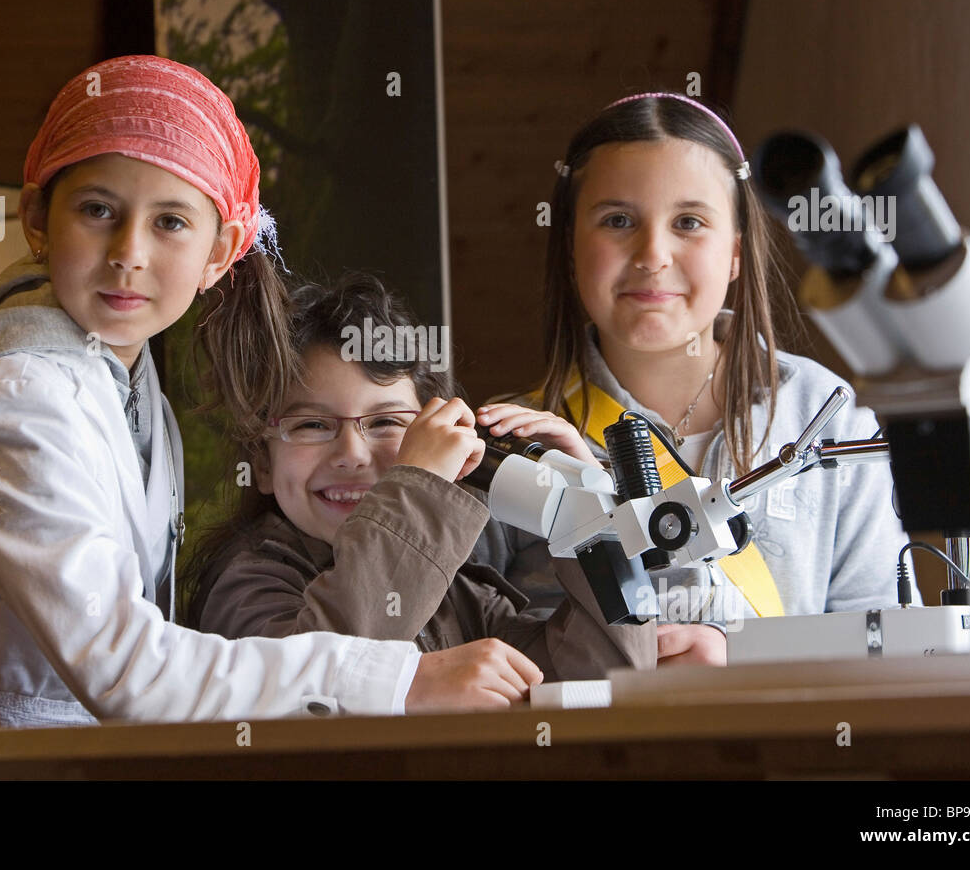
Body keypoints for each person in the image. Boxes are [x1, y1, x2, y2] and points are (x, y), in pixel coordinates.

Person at [0, 56, 538, 781]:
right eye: (97, 210)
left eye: (170, 221)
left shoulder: (126, 383)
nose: (128, 254)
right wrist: (401, 682)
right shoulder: (17, 399)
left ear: (220, 250)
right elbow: (126, 670)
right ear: (38, 221)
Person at [473, 92, 916, 667]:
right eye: (618, 220)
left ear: (735, 252)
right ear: (571, 247)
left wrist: (742, 655)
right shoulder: (504, 443)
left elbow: (887, 641)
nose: (653, 254)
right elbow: (466, 644)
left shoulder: (826, 414)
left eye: (689, 222)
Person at [181, 273, 656, 678]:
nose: (351, 454)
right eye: (311, 425)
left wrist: (591, 511)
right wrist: (416, 483)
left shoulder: (458, 592)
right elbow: (317, 682)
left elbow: (602, 680)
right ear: (262, 464)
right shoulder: (250, 582)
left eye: (387, 423)